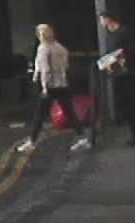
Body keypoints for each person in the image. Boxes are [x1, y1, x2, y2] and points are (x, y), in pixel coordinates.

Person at [17, 24, 91, 153]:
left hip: (50, 85)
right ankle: (83, 138)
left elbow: (45, 69)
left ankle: (31, 141)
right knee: (69, 112)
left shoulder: (43, 48)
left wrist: (44, 86)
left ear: (40, 35)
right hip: (62, 83)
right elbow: (66, 65)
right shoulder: (60, 48)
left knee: (40, 115)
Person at [99, 10, 135, 146]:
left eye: (102, 19)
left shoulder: (125, 32)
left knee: (129, 102)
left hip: (129, 71)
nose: (101, 23)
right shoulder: (109, 35)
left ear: (109, 19)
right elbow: (110, 52)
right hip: (116, 71)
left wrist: (124, 51)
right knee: (122, 102)